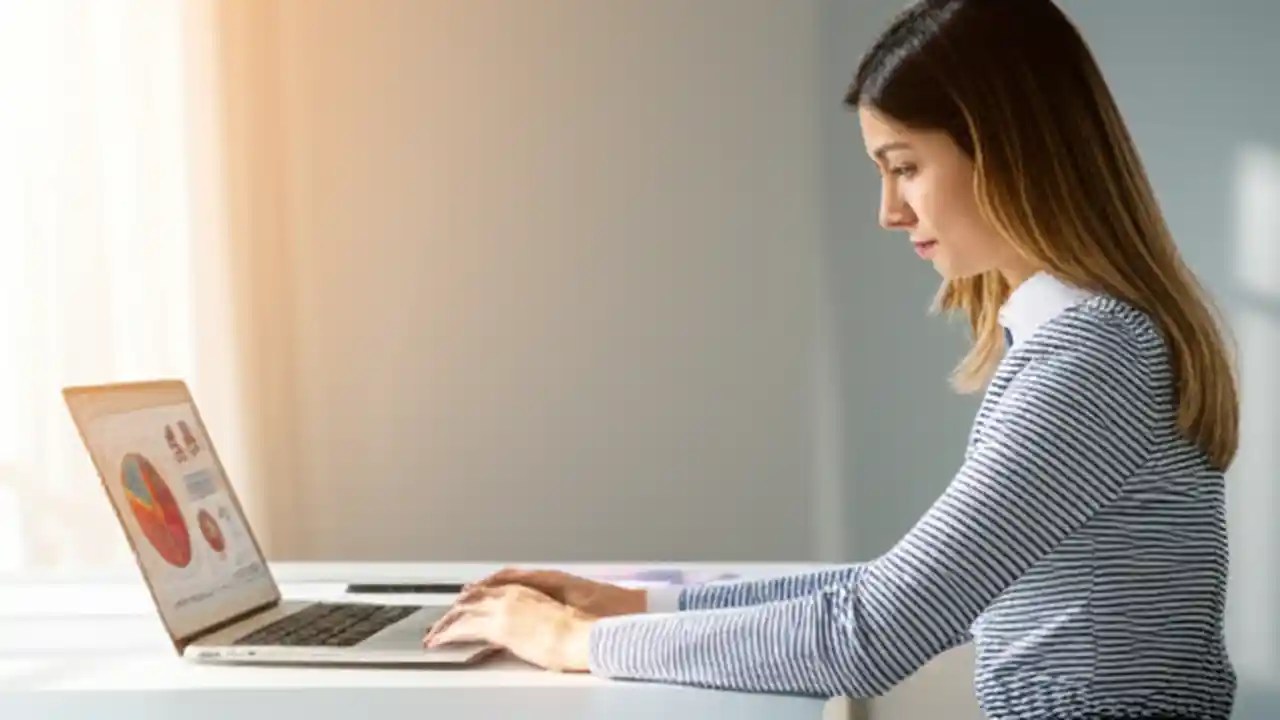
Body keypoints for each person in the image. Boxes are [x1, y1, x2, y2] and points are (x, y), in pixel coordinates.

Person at [422, 0, 1240, 717]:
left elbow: (869, 635)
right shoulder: (1088, 342)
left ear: (1005, 149)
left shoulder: (1092, 362)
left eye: (906, 169)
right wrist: (639, 605)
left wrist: (577, 643)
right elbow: (892, 590)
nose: (888, 212)